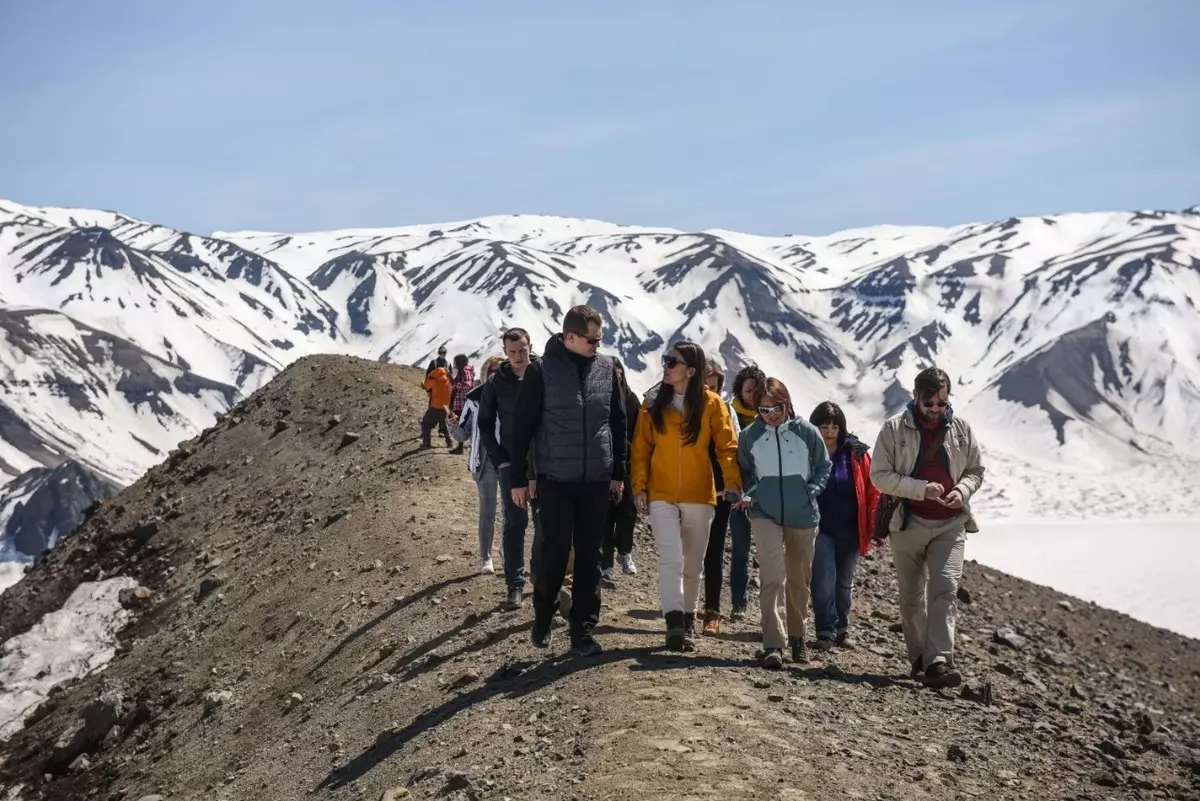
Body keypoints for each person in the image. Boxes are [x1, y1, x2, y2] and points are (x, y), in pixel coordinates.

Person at [508, 305, 627, 657]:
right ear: (570, 337)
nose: (597, 344)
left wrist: (618, 472)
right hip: (555, 480)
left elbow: (618, 424)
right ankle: (543, 616)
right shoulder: (541, 370)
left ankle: (583, 632)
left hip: (596, 481)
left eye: (600, 339)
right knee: (553, 553)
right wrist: (519, 478)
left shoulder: (607, 369)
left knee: (591, 558)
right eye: (591, 339)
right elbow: (522, 428)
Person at [870, 367, 985, 690]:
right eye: (930, 404)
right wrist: (921, 488)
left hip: (951, 523)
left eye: (942, 403)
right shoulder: (894, 430)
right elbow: (879, 476)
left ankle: (939, 660)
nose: (936, 410)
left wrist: (961, 491)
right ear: (916, 397)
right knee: (910, 597)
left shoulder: (961, 429)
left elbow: (975, 470)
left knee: (945, 588)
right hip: (907, 523)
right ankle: (919, 658)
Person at [632, 343, 741, 651]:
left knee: (693, 563)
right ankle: (674, 623)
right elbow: (640, 449)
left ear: (690, 371)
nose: (665, 365)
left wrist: (732, 483)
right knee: (670, 558)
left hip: (700, 494)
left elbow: (727, 448)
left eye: (672, 361)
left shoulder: (712, 404)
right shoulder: (652, 403)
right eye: (665, 360)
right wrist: (639, 487)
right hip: (661, 493)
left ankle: (689, 621)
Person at [734, 378, 831, 669]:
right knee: (772, 575)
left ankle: (798, 636)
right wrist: (753, 492)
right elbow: (745, 471)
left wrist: (813, 488)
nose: (770, 415)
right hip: (765, 513)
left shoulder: (808, 432)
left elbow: (824, 466)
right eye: (763, 410)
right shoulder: (750, 436)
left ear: (786, 403)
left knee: (799, 580)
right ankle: (773, 643)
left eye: (775, 408)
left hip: (802, 515)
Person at [477, 329, 542, 610]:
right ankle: (514, 584)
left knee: (545, 522)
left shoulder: (544, 374)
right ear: (505, 351)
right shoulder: (496, 383)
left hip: (542, 462)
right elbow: (484, 423)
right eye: (512, 351)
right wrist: (499, 458)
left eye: (522, 350)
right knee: (515, 522)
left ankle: (541, 578)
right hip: (510, 463)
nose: (517, 356)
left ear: (531, 347)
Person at [808, 401, 880, 650]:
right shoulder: (806, 451)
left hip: (851, 528)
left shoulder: (856, 454)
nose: (828, 432)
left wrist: (874, 525)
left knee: (844, 582)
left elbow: (872, 490)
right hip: (820, 528)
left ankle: (842, 629)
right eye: (823, 426)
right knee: (823, 579)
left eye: (833, 427)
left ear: (841, 429)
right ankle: (825, 630)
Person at [451, 357, 506, 572]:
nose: (496, 373)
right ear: (485, 373)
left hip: (510, 459)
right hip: (484, 461)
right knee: (488, 509)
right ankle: (485, 557)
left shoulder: (516, 394)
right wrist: (452, 426)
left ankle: (506, 552)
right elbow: (462, 433)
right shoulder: (474, 399)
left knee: (512, 512)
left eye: (501, 370)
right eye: (492, 370)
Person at [700, 359, 742, 636]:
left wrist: (734, 486)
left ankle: (712, 611)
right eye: (705, 385)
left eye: (714, 387)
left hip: (717, 491)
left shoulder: (726, 411)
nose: (709, 391)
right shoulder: (679, 409)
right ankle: (682, 608)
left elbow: (734, 448)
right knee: (684, 552)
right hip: (685, 490)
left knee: (713, 552)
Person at [725, 364, 766, 620]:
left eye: (756, 390)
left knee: (767, 550)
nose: (752, 395)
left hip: (766, 492)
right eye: (748, 390)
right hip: (738, 490)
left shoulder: (771, 415)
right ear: (739, 389)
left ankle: (769, 609)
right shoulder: (729, 414)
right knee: (740, 549)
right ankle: (739, 603)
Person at [602, 356, 641, 581]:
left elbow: (638, 434)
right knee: (604, 517)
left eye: (618, 375)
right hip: (602, 466)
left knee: (627, 513)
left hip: (627, 464)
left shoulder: (631, 400)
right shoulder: (599, 399)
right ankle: (605, 563)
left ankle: (624, 551)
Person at [420, 364, 453, 449]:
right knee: (445, 424)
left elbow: (426, 386)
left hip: (436, 406)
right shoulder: (449, 378)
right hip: (446, 407)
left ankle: (426, 444)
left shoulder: (435, 377)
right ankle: (449, 443)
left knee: (425, 423)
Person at [449, 354, 476, 454]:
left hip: (463, 403)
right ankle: (460, 447)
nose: (455, 364)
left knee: (461, 424)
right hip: (461, 402)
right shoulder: (464, 370)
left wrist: (456, 386)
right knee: (460, 424)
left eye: (456, 362)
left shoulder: (465, 370)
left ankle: (461, 448)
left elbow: (468, 385)